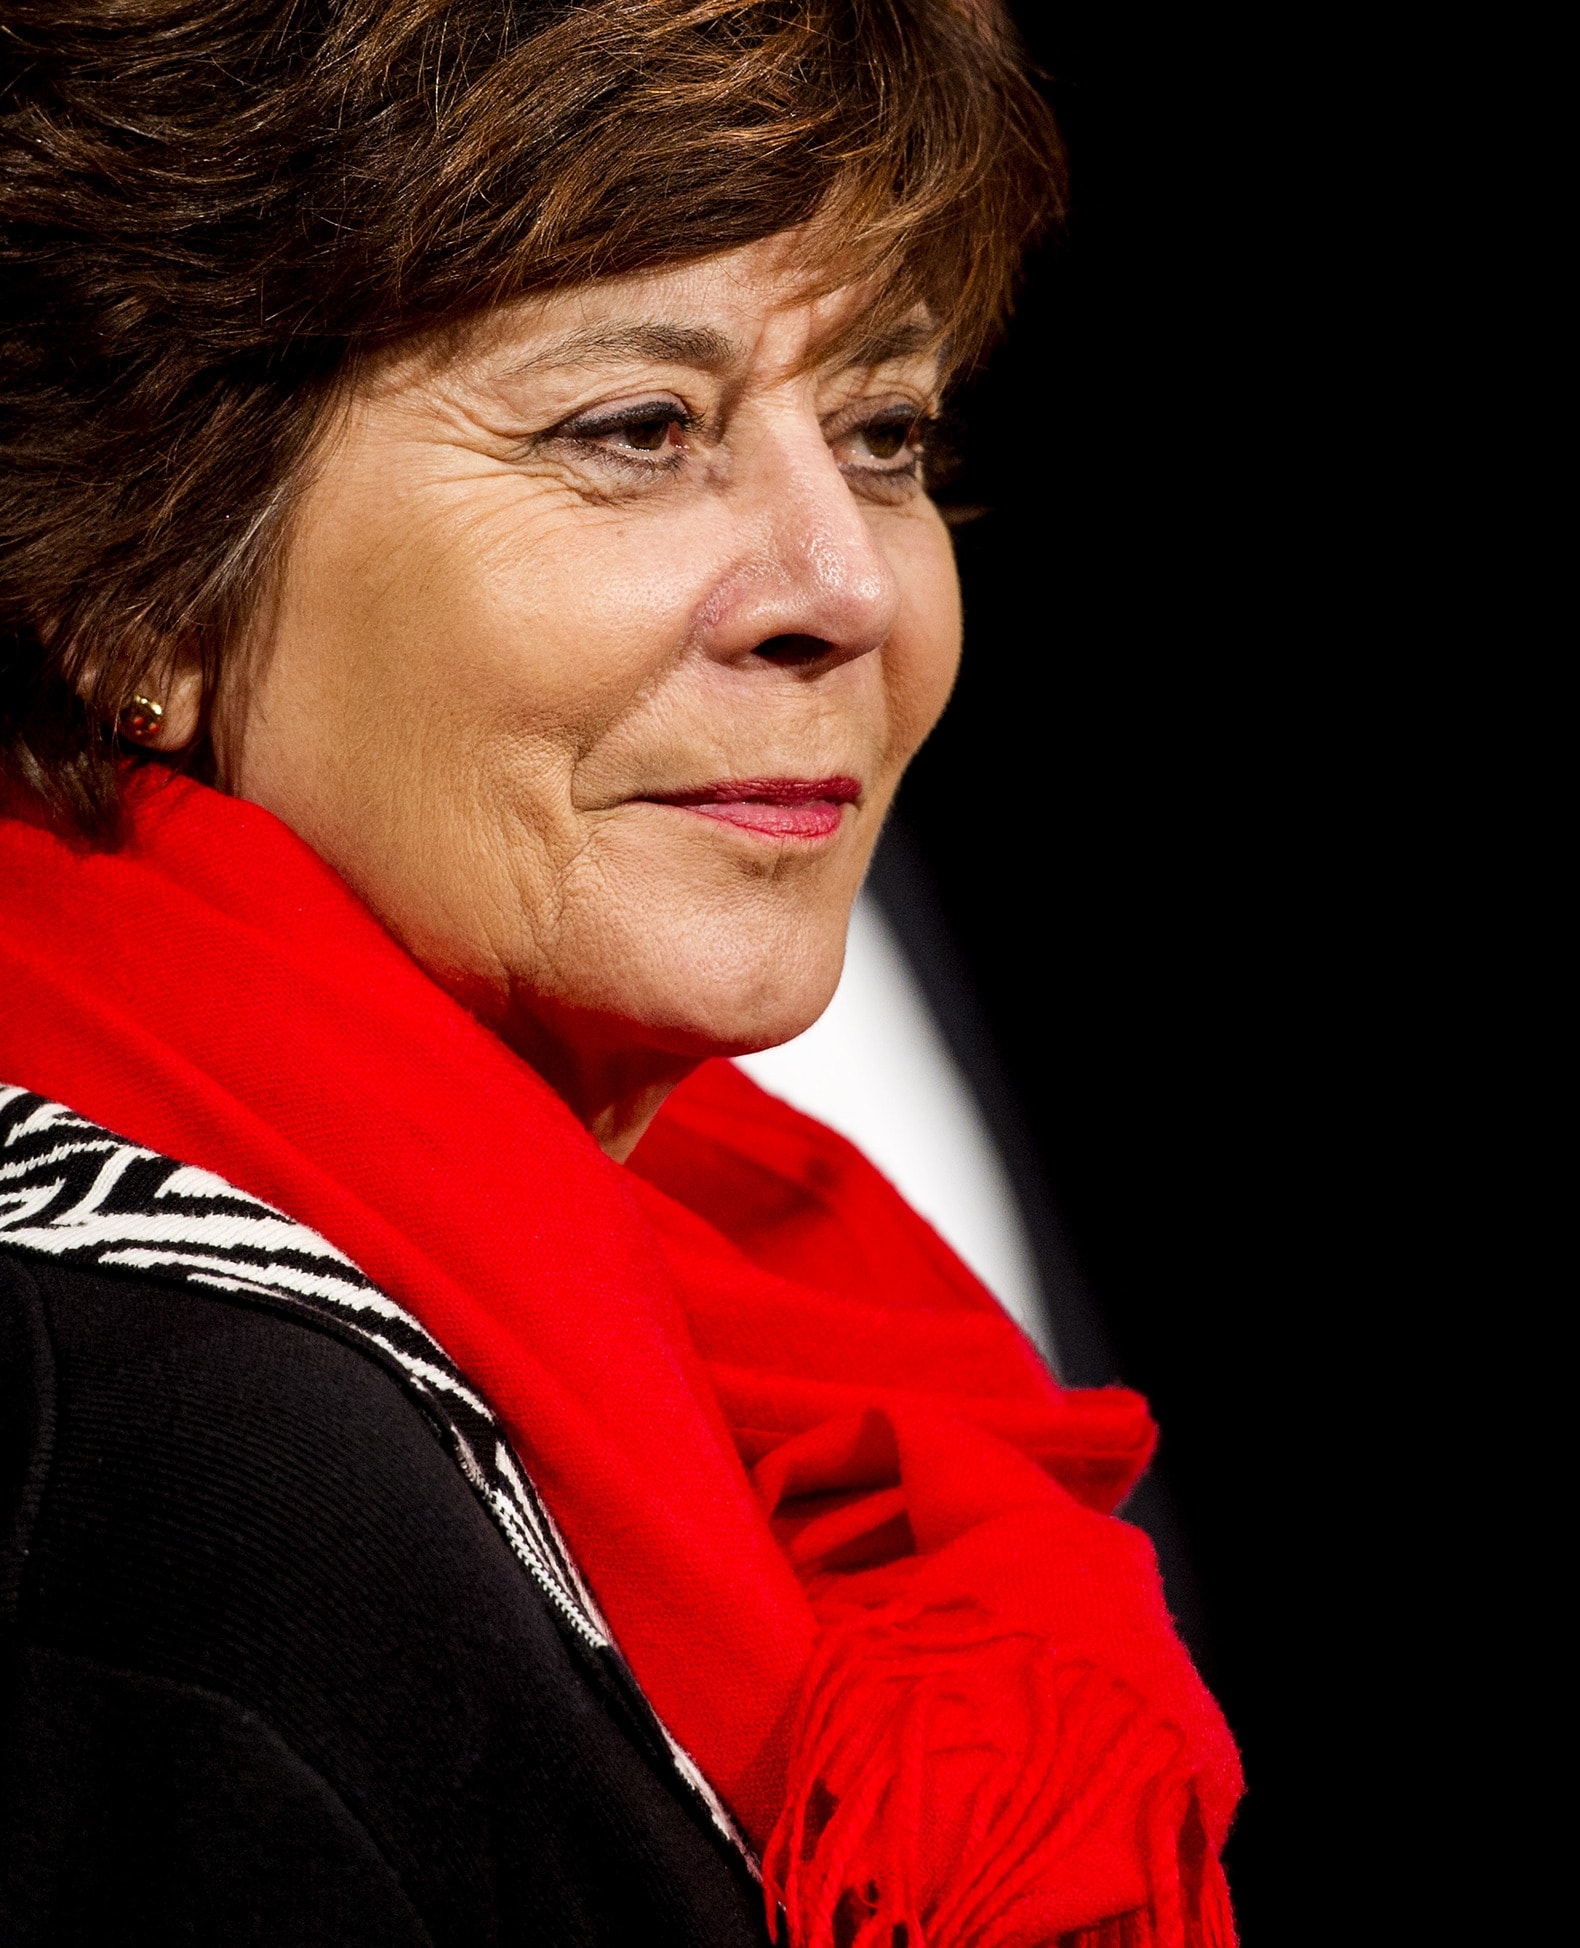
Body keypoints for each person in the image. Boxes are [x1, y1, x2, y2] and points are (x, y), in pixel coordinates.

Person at [0, 3, 1241, 1942]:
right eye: (637, 430)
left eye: (885, 433)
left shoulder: (786, 1308)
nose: (844, 587)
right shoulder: (142, 1462)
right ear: (129, 577)